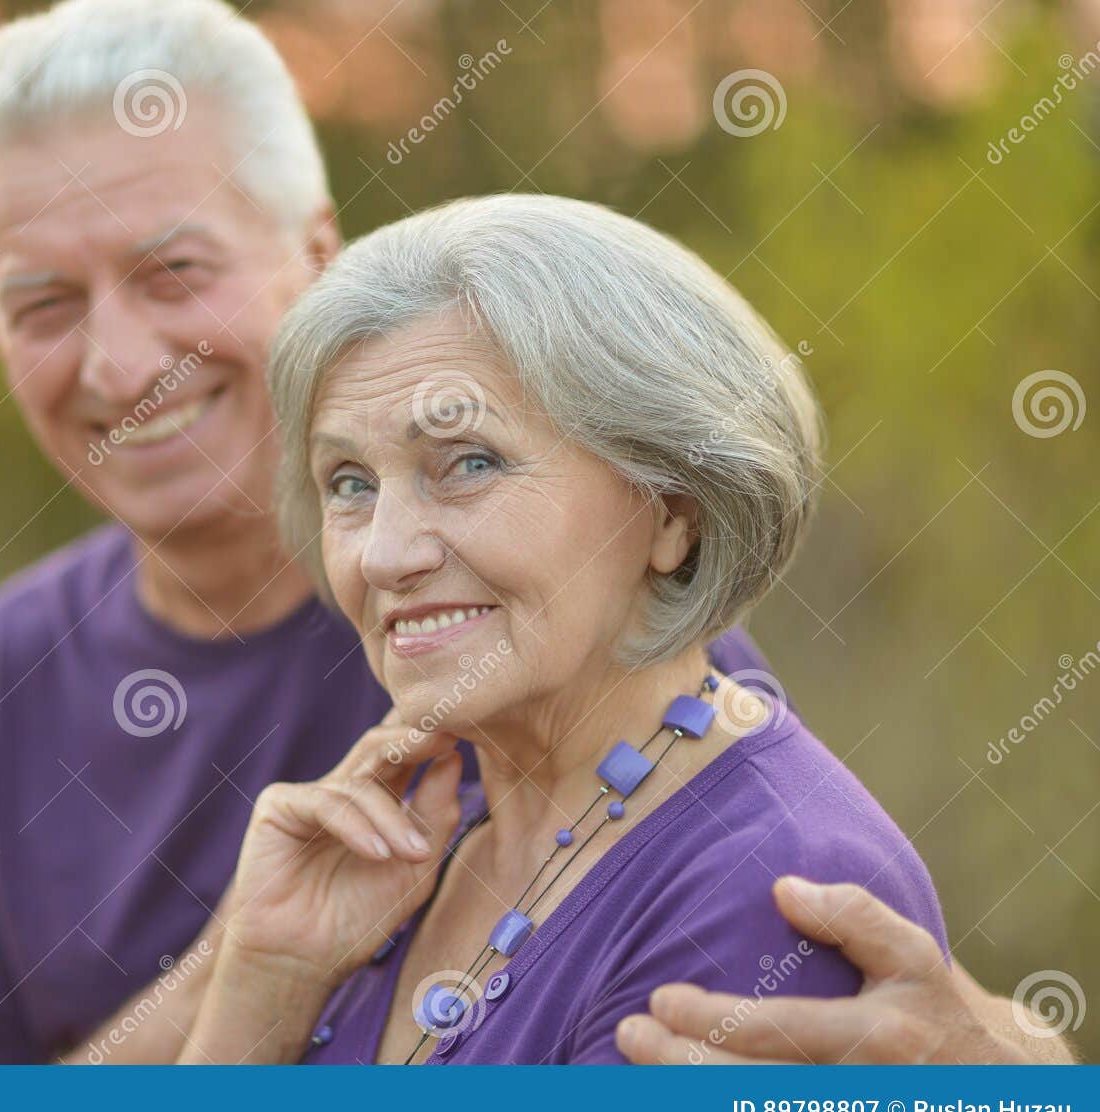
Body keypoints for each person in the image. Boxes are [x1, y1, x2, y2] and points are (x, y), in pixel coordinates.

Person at [0, 0, 1071, 1065]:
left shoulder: (553, 640)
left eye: (173, 272)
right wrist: (249, 970)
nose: (116, 363)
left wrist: (1019, 1094)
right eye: (43, 304)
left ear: (315, 253)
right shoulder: (4, 667)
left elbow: (766, 862)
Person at [179, 193, 948, 1064]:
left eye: (469, 463)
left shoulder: (765, 893)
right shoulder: (407, 840)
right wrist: (265, 978)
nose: (383, 554)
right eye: (349, 482)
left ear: (673, 515)